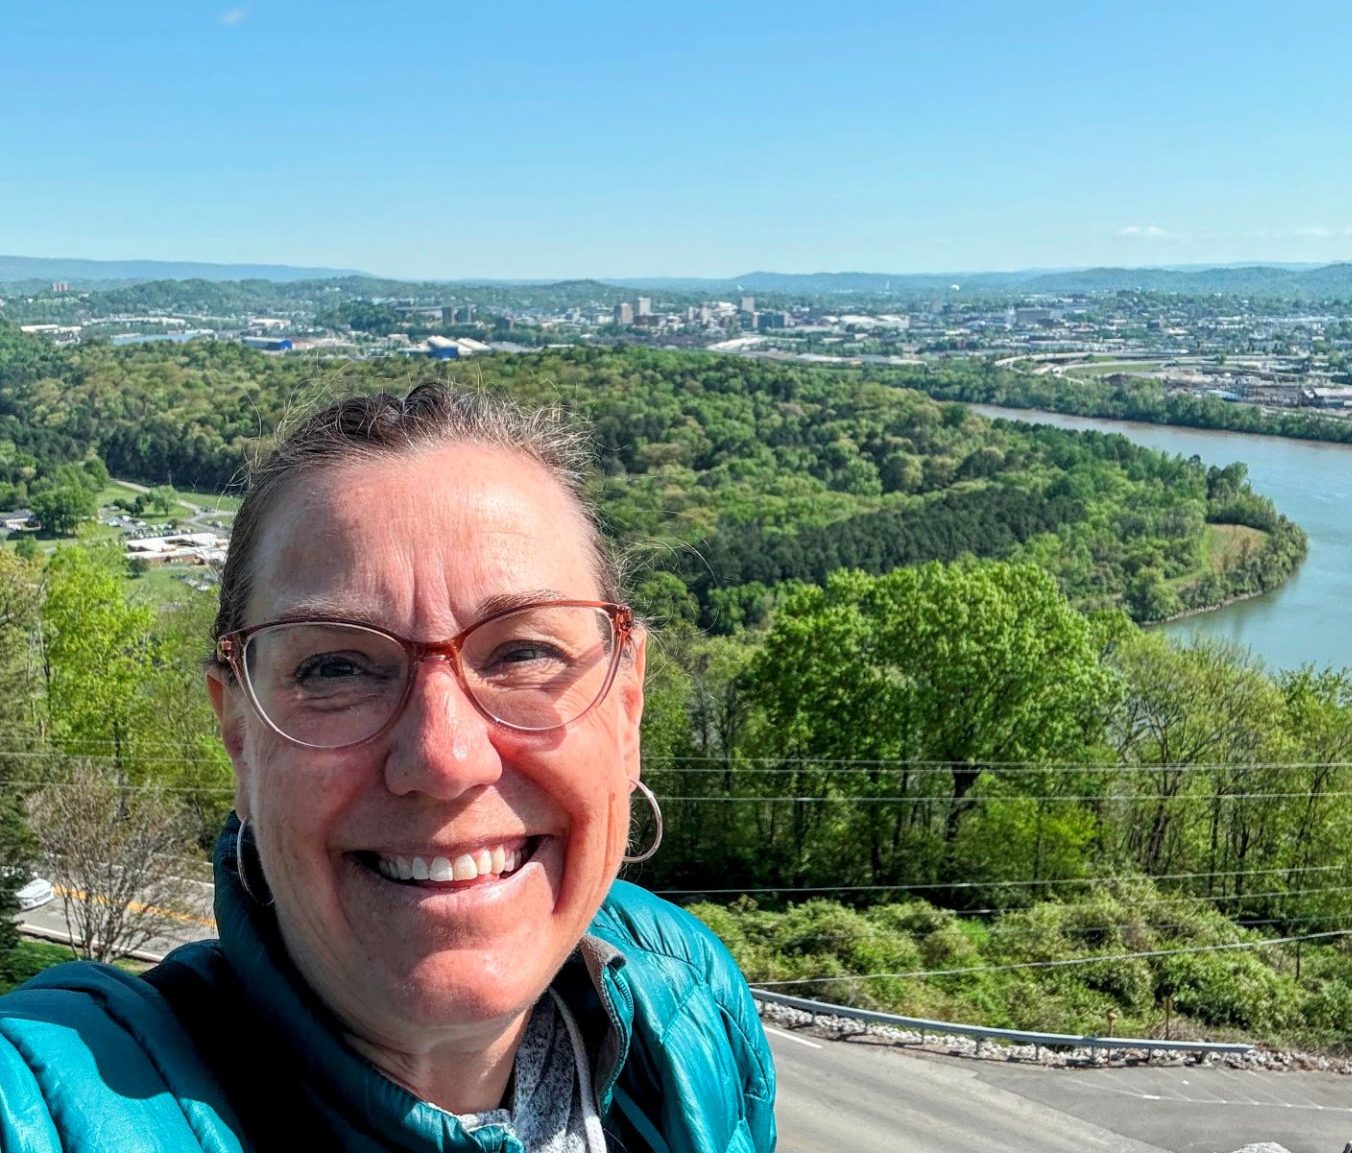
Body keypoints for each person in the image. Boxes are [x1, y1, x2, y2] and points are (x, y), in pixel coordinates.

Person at [0, 383, 777, 1153]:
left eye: (524, 652)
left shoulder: (687, 1005)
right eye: (337, 667)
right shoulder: (58, 1098)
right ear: (239, 733)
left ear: (627, 705)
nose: (444, 757)